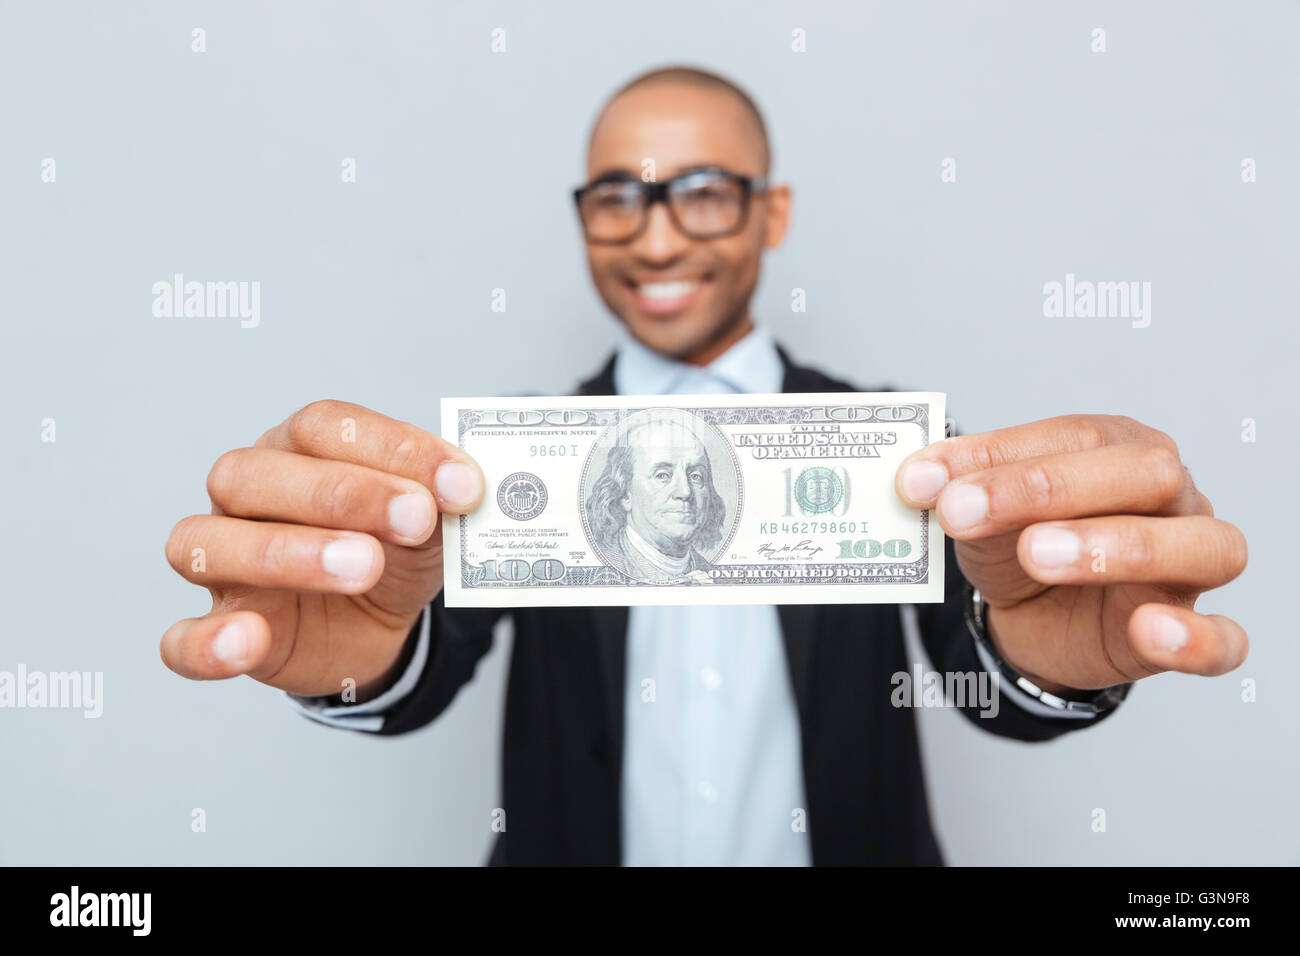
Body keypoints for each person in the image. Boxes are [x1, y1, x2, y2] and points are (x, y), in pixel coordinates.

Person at [162, 65, 1249, 865]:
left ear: (771, 211)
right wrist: (354, 659)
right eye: (617, 198)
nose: (656, 238)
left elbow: (983, 653)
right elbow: (422, 659)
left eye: (702, 191)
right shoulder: (504, 462)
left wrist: (1052, 664)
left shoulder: (898, 448)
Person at [585, 413, 727, 583]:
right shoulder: (606, 573)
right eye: (662, 475)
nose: (685, 492)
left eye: (696, 476)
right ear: (624, 493)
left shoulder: (721, 581)